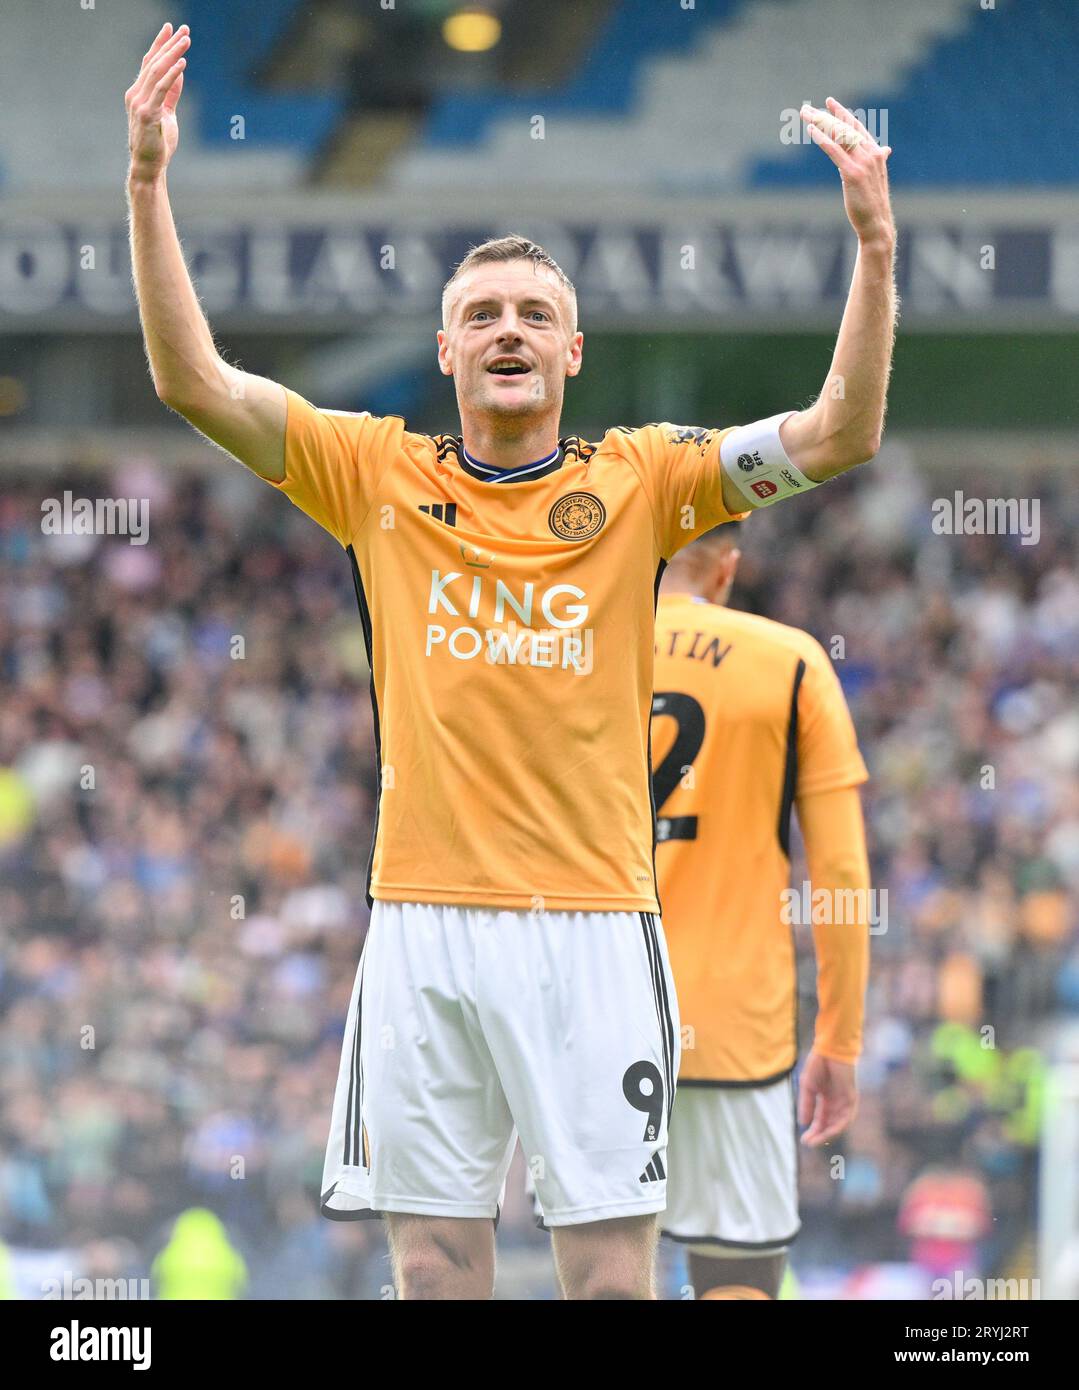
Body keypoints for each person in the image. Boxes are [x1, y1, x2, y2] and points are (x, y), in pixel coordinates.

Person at [125, 21, 897, 1300]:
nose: (507, 331)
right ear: (444, 351)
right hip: (420, 924)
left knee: (604, 1276)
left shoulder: (645, 478)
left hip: (591, 927)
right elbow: (191, 379)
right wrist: (150, 185)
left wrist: (871, 251)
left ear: (570, 352)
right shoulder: (370, 471)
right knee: (433, 1265)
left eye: (535, 315)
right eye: (479, 314)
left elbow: (840, 432)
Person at [651, 529, 871, 1299]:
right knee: (736, 1272)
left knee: (597, 1262)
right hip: (731, 1021)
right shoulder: (789, 660)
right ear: (728, 565)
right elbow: (840, 872)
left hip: (589, 1012)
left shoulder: (567, 649)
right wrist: (838, 1038)